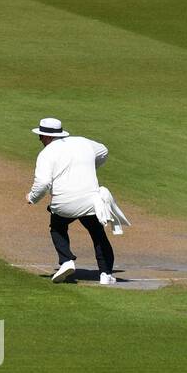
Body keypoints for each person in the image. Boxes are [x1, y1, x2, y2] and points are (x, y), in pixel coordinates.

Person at [26, 118, 125, 286]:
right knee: (98, 234)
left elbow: (43, 183)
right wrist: (89, 167)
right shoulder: (83, 142)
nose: (40, 140)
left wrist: (32, 198)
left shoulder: (46, 154)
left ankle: (66, 261)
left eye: (41, 136)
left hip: (63, 204)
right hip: (89, 202)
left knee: (57, 228)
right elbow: (104, 152)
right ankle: (105, 274)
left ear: (48, 137)